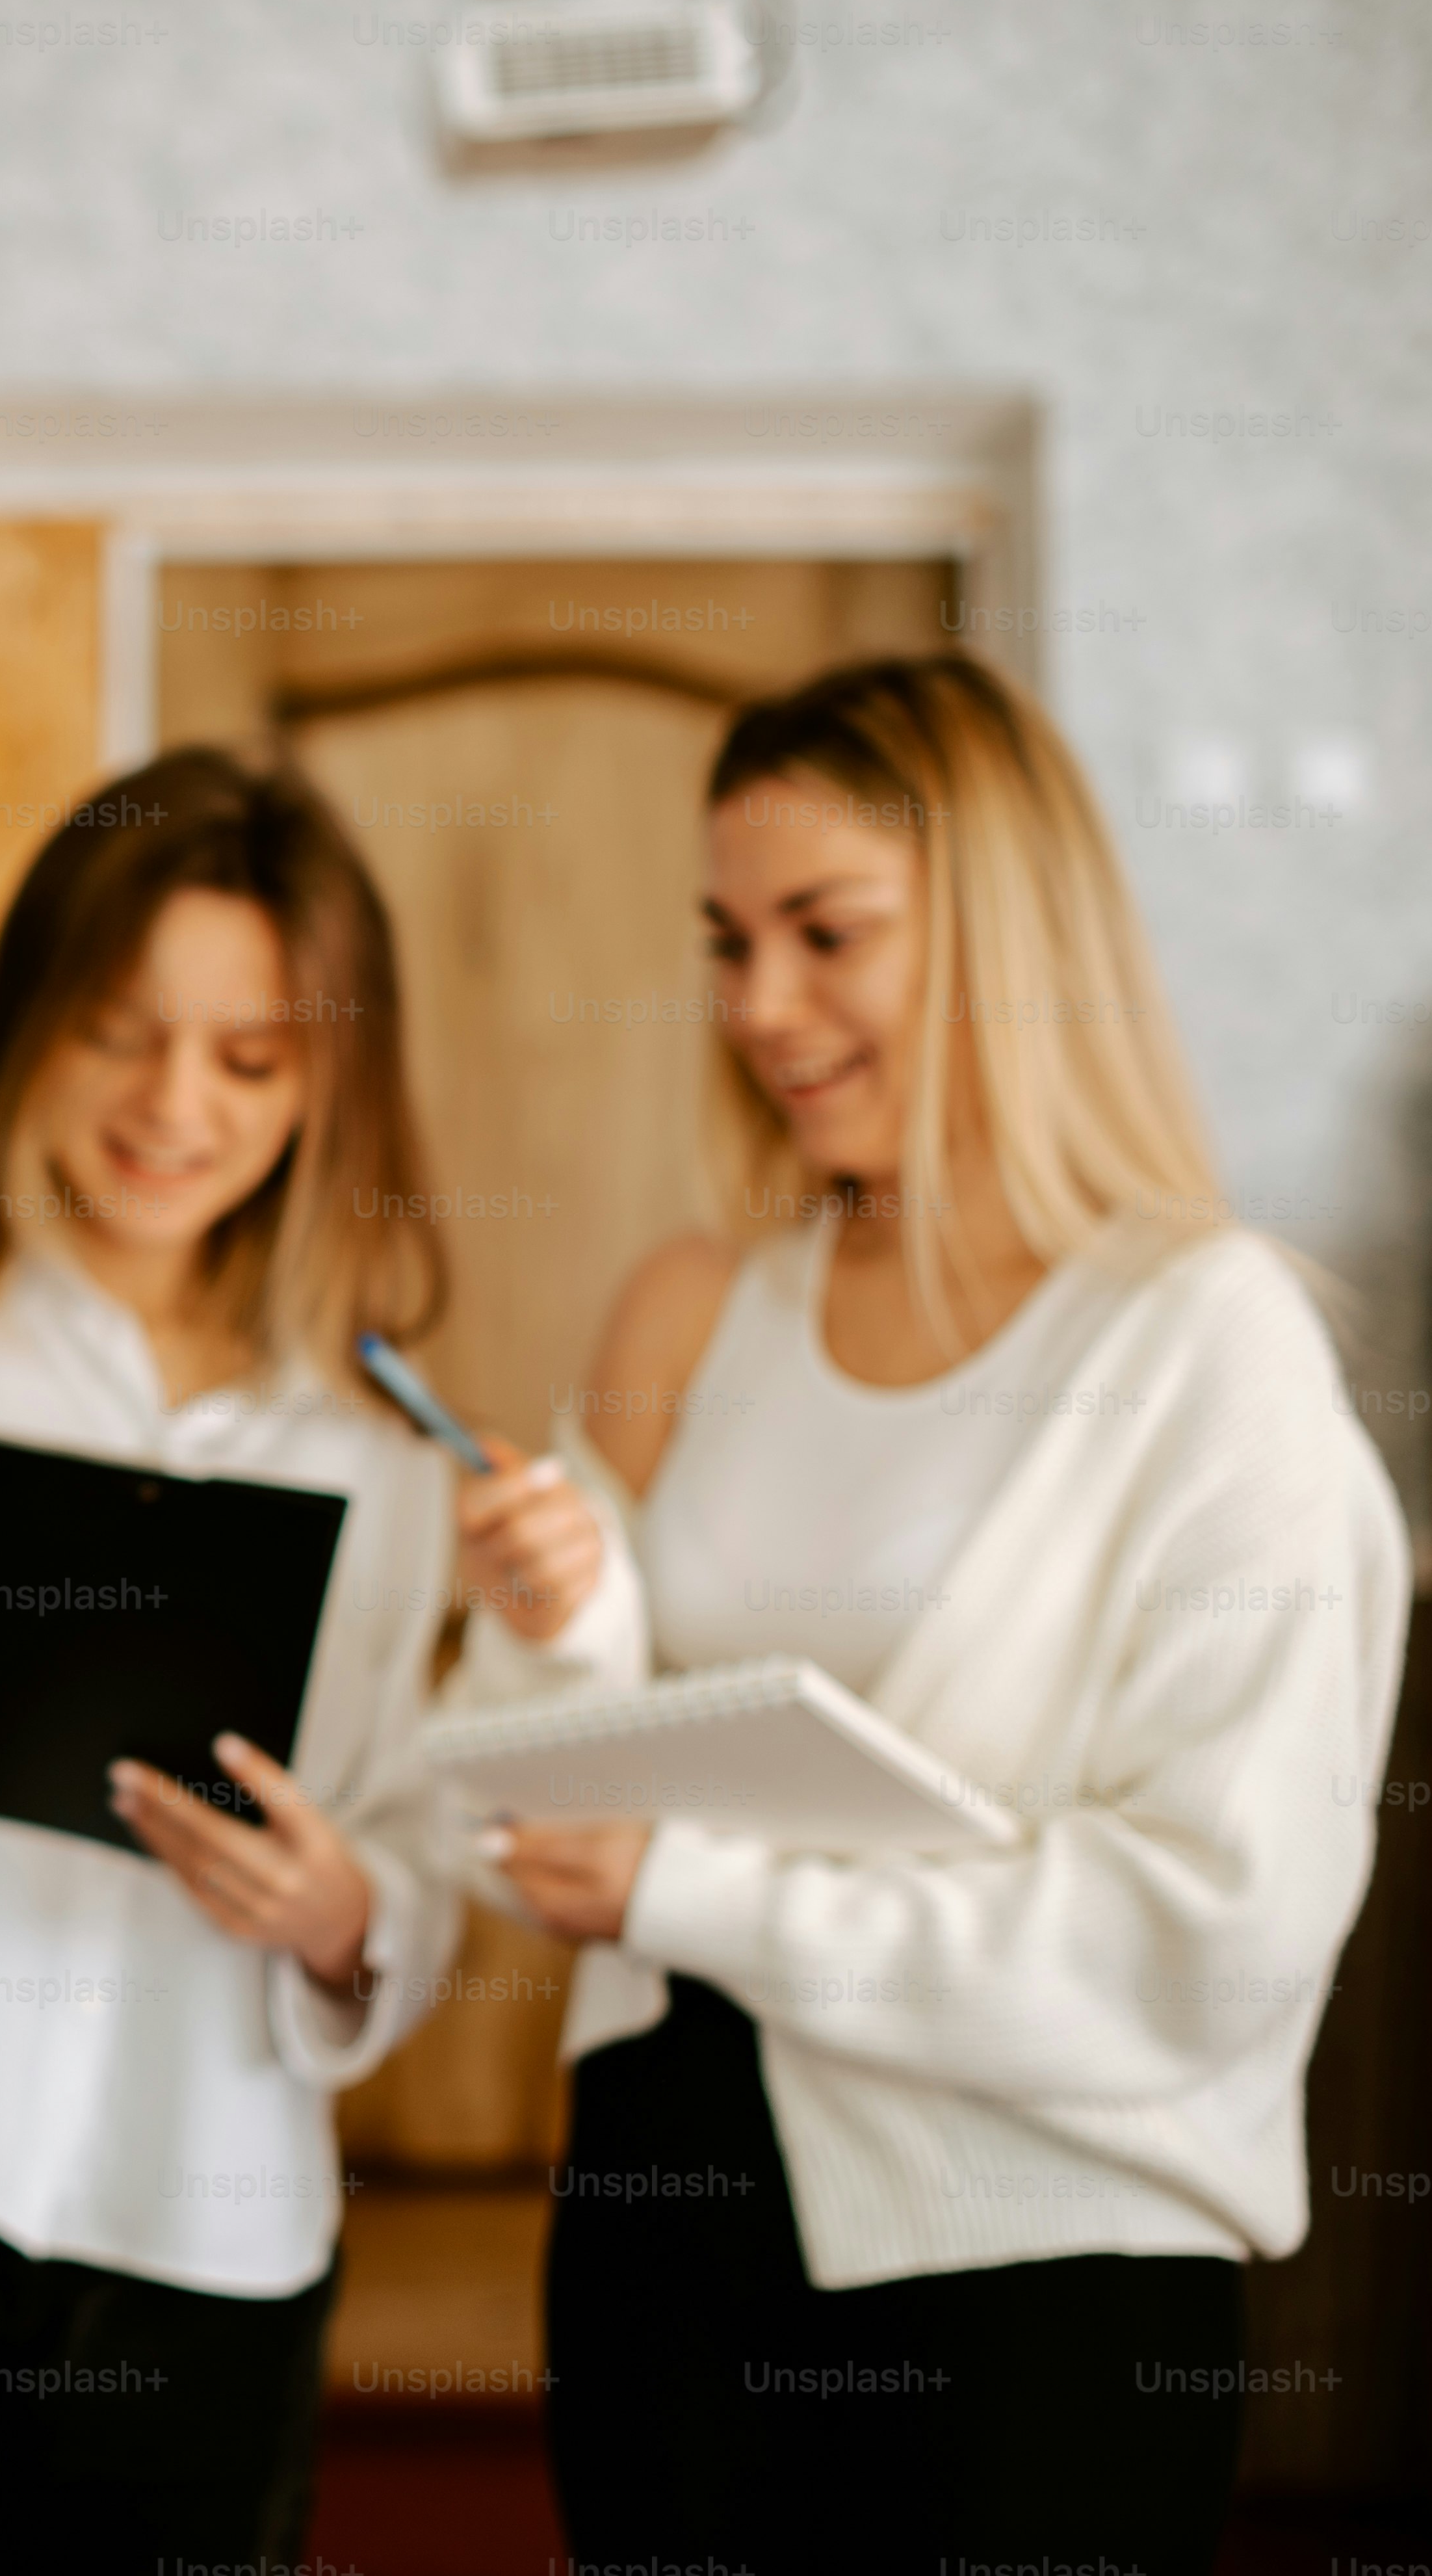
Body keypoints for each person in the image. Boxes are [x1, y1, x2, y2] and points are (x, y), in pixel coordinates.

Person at [0, 750, 636, 2573]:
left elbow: (409, 1869)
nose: (174, 1105)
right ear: (33, 1017)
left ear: (331, 1080)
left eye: (251, 1061)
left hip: (204, 2216)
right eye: (121, 1031)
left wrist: (342, 1909)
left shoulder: (382, 1438)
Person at [491, 654, 1409, 2576]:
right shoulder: (691, 1308)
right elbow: (533, 1781)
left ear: (1007, 932)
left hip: (1036, 2271)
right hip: (673, 2216)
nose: (760, 1006)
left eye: (828, 934)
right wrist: (554, 1625)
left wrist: (699, 1892)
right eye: (730, 939)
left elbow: (1213, 1935)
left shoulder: (1203, 1342)